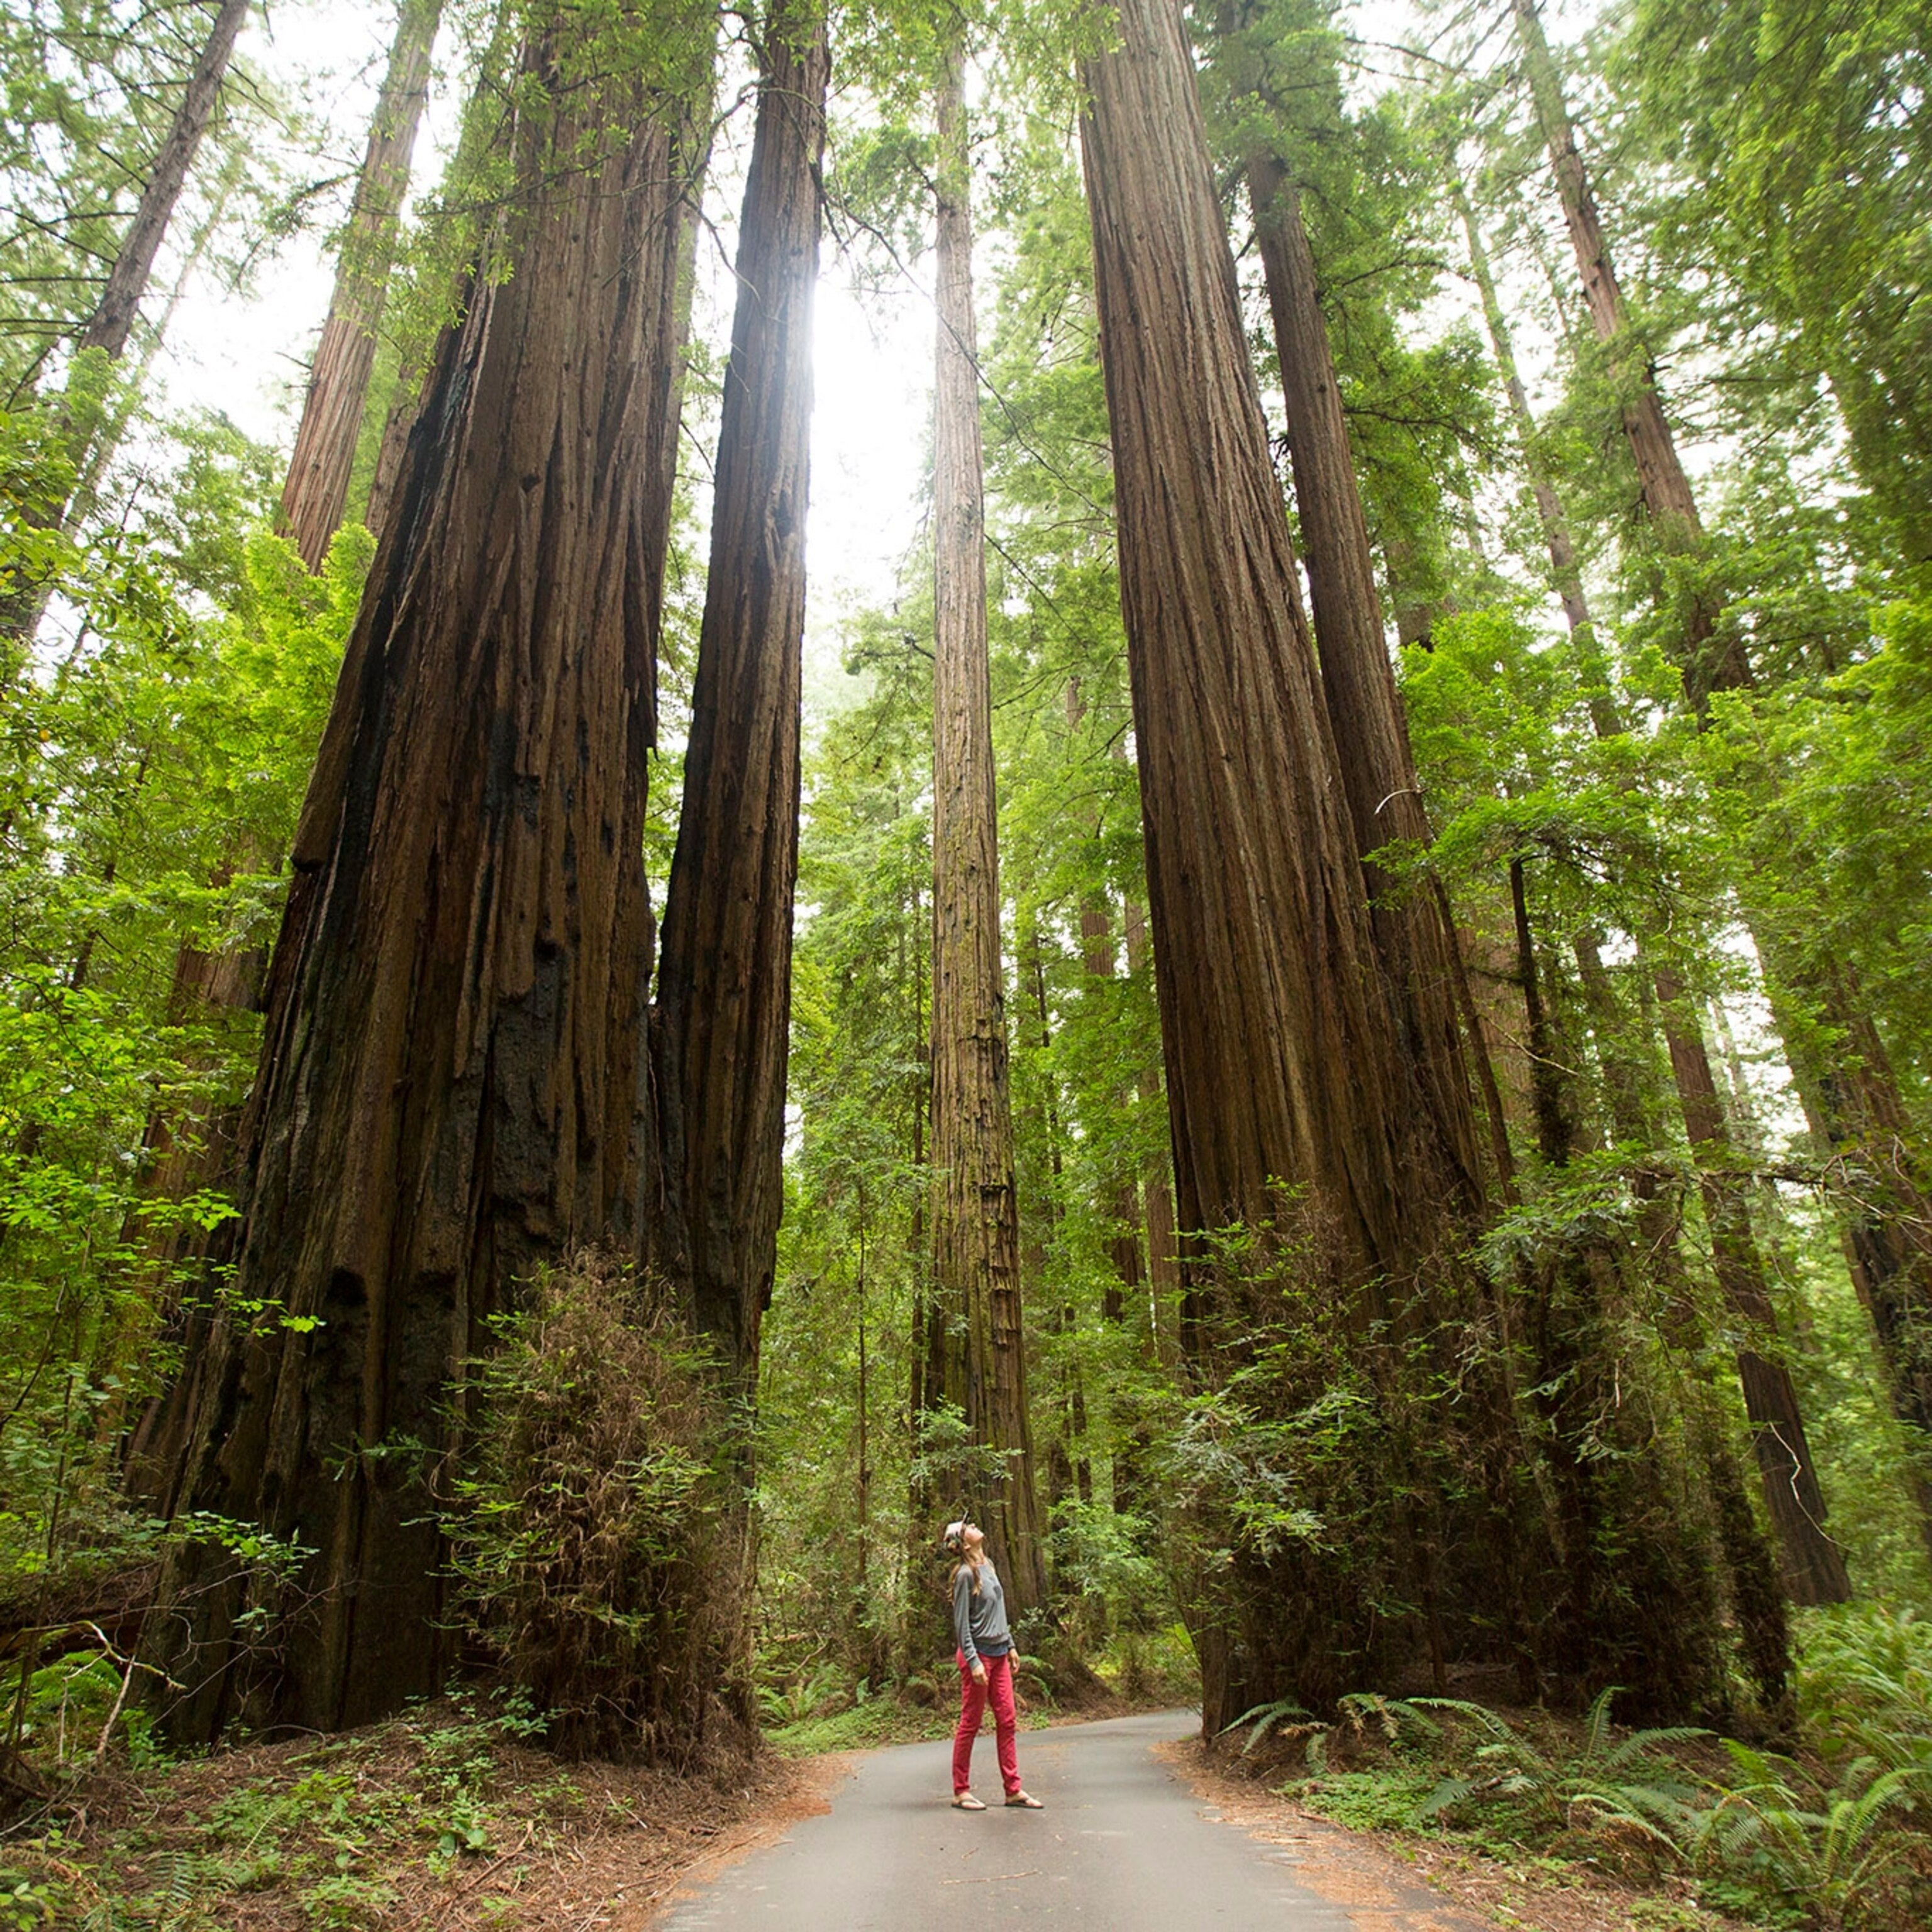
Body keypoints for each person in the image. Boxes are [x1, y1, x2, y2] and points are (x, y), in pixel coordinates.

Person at [943, 1519, 1042, 1810]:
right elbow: (962, 1626)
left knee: (1007, 1720)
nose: (974, 1524)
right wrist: (974, 1662)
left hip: (999, 1654)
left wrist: (1010, 1644)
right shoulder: (965, 1575)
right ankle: (961, 1791)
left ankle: (1013, 1790)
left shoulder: (990, 1565)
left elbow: (999, 1610)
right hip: (979, 1657)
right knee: (970, 1723)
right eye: (968, 1526)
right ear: (964, 1542)